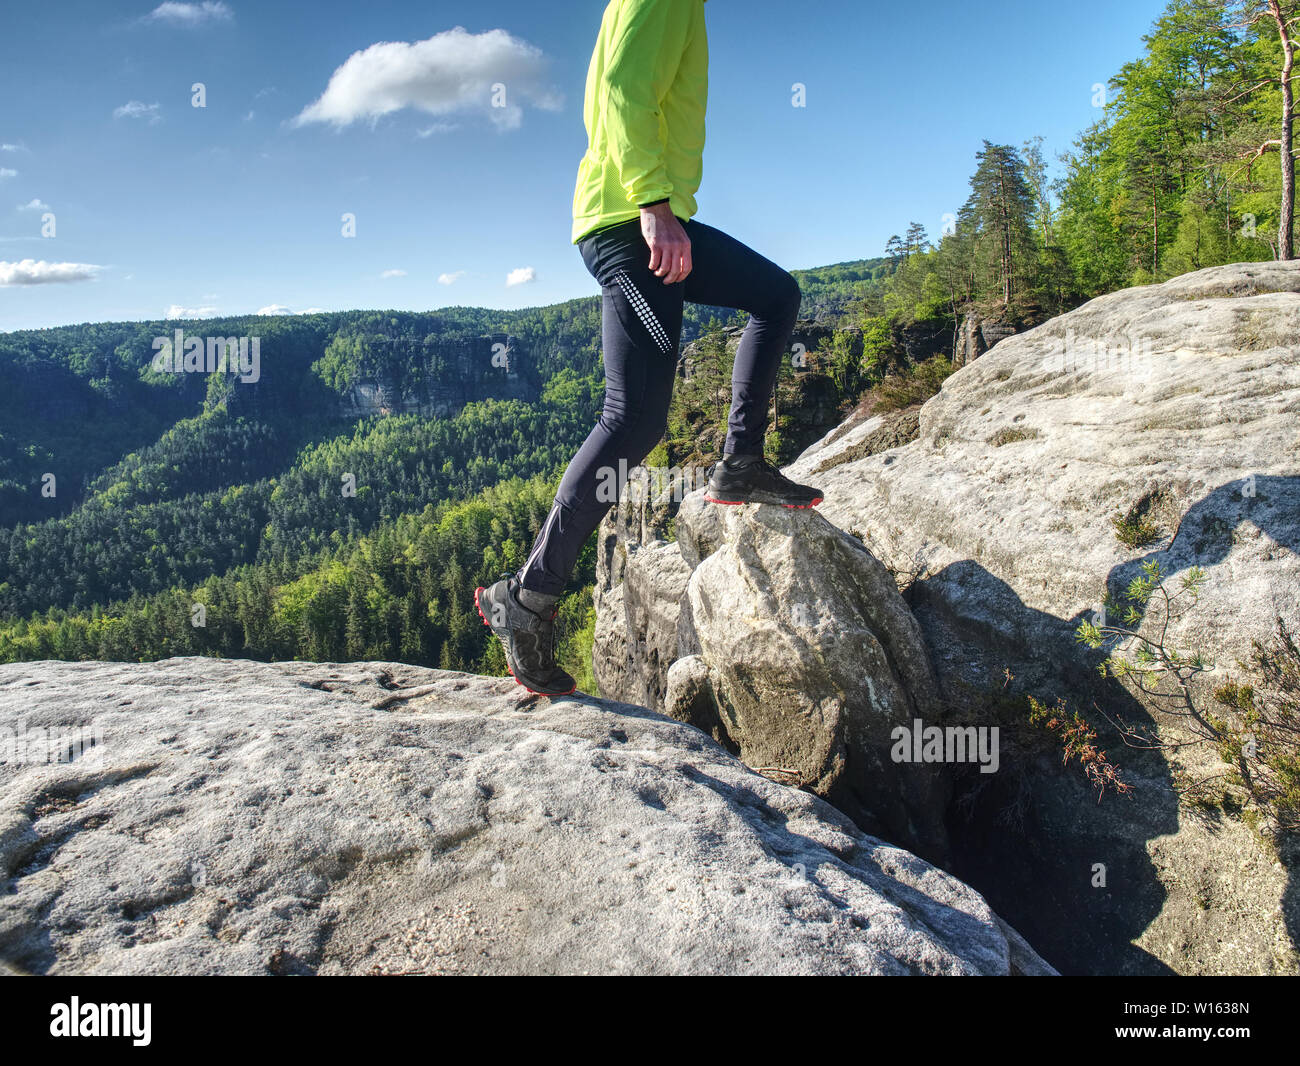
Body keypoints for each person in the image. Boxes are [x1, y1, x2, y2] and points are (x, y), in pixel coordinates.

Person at [476, 0, 822, 695]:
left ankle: (741, 463)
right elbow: (621, 92)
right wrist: (654, 205)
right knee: (631, 419)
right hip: (630, 223)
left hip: (652, 216)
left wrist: (664, 208)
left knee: (776, 295)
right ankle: (526, 597)